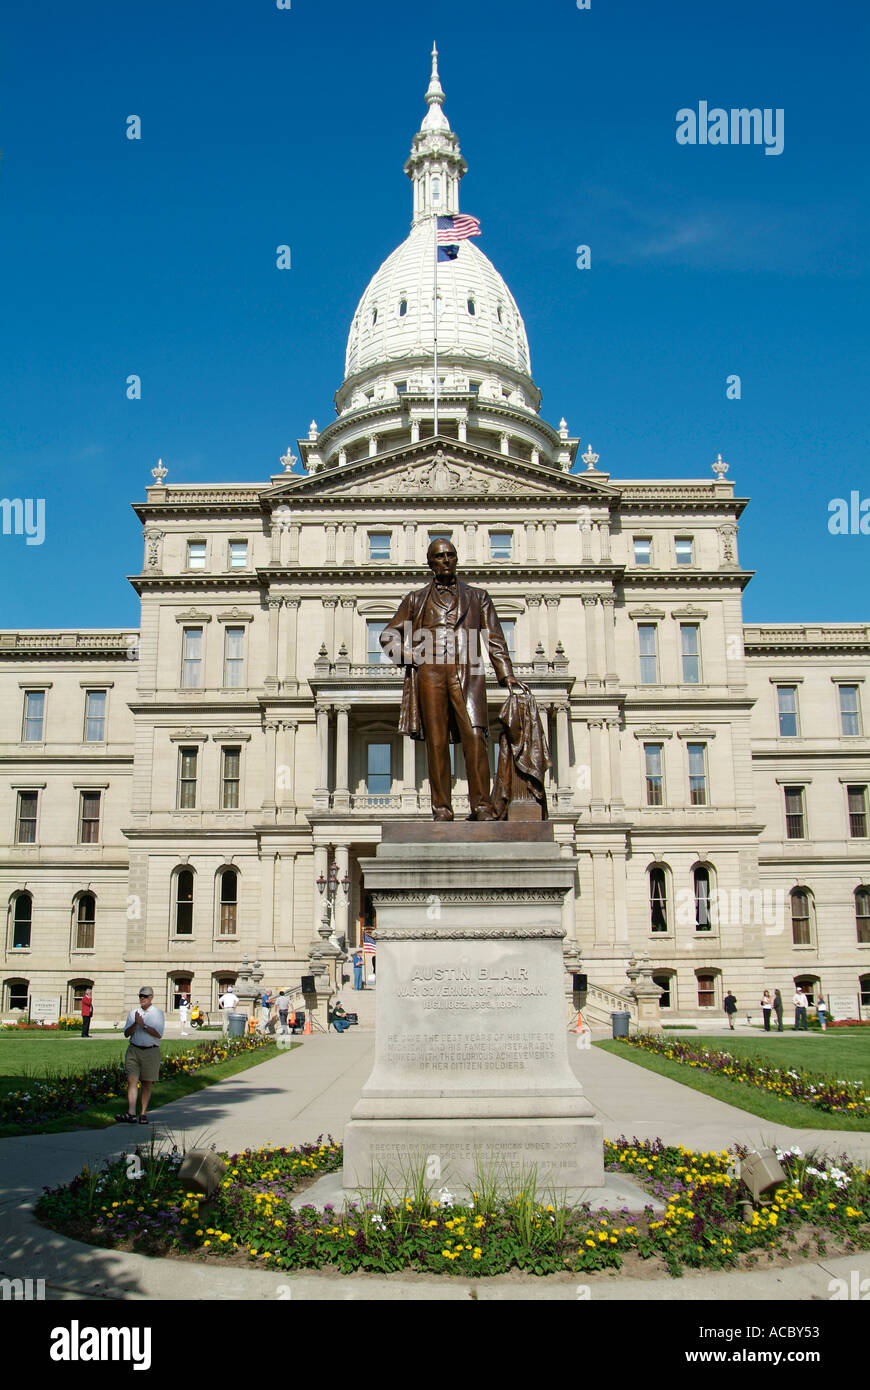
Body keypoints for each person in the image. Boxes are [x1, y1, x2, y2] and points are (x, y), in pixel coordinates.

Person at [380, 537, 527, 821]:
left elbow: (495, 640)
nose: (446, 560)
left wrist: (506, 675)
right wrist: (410, 655)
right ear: (430, 563)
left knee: (475, 737)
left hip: (468, 672)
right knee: (436, 743)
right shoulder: (415, 599)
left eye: (450, 555)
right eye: (440, 556)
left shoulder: (478, 596)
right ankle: (442, 810)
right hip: (430, 675)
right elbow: (388, 635)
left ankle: (482, 806)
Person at [119, 986, 165, 1124]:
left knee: (146, 1082)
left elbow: (158, 1034)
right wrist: (135, 1024)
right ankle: (131, 1112)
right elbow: (126, 1033)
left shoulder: (157, 1013)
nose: (142, 999)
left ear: (151, 997)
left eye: (145, 996)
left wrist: (143, 1025)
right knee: (132, 1080)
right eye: (140, 996)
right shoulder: (133, 1013)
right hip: (134, 1049)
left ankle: (143, 1113)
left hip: (151, 1051)